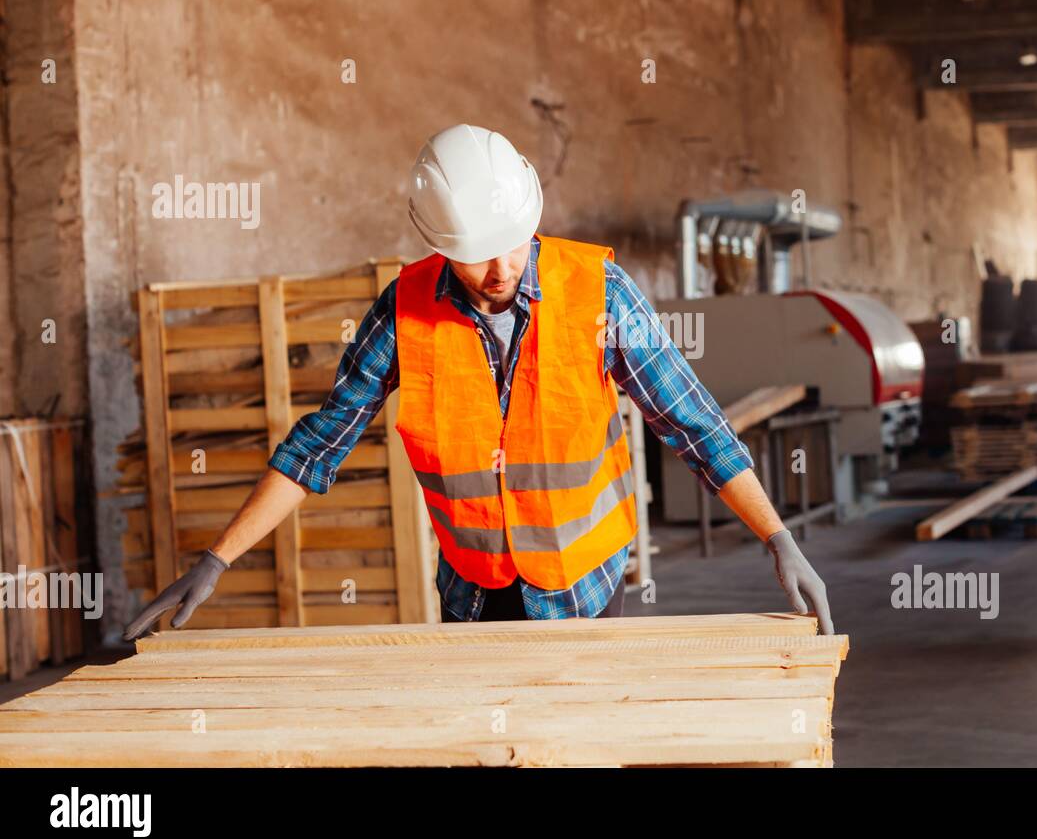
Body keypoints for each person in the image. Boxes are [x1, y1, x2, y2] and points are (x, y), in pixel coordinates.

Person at [124, 124, 833, 638]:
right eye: (475, 256)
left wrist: (777, 537)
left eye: (512, 245)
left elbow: (693, 423)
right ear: (437, 248)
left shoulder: (601, 294)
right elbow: (318, 444)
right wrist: (216, 560)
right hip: (473, 592)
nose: (500, 270)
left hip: (586, 586)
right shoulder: (402, 314)